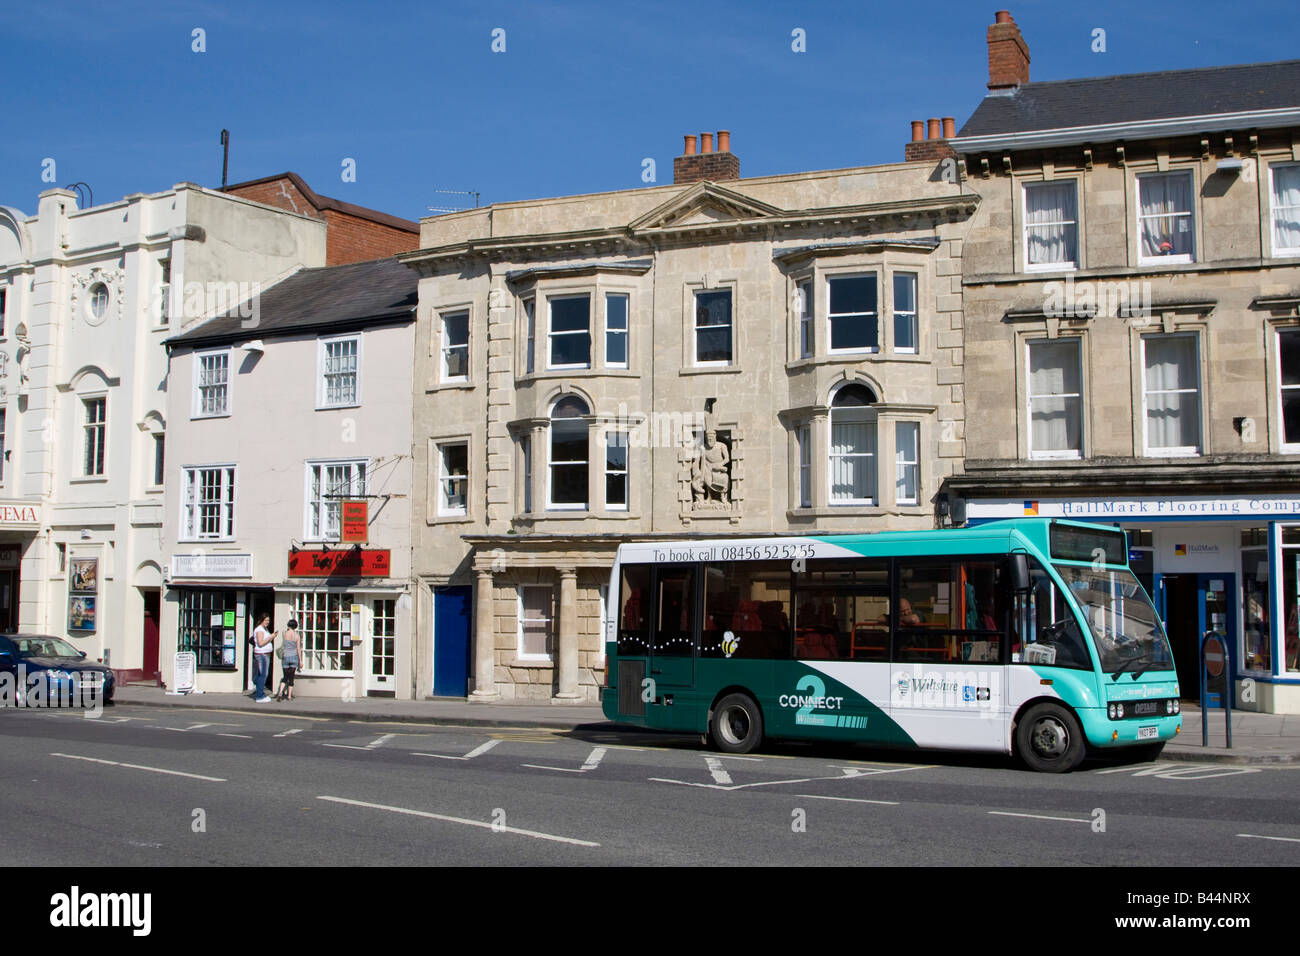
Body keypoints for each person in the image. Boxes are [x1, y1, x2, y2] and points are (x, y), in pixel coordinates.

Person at [250, 614, 276, 703]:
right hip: (262, 655)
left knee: (261, 674)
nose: (267, 622)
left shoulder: (264, 629)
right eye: (265, 620)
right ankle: (259, 696)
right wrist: (271, 637)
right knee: (263, 675)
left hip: (265, 654)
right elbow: (260, 643)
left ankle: (259, 693)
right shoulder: (259, 630)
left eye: (268, 620)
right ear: (261, 620)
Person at [275, 619, 300, 701]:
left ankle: (280, 693)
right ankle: (289, 696)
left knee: (285, 677)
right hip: (294, 657)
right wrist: (300, 660)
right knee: (291, 677)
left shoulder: (284, 633)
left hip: (285, 656)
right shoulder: (297, 636)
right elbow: (298, 648)